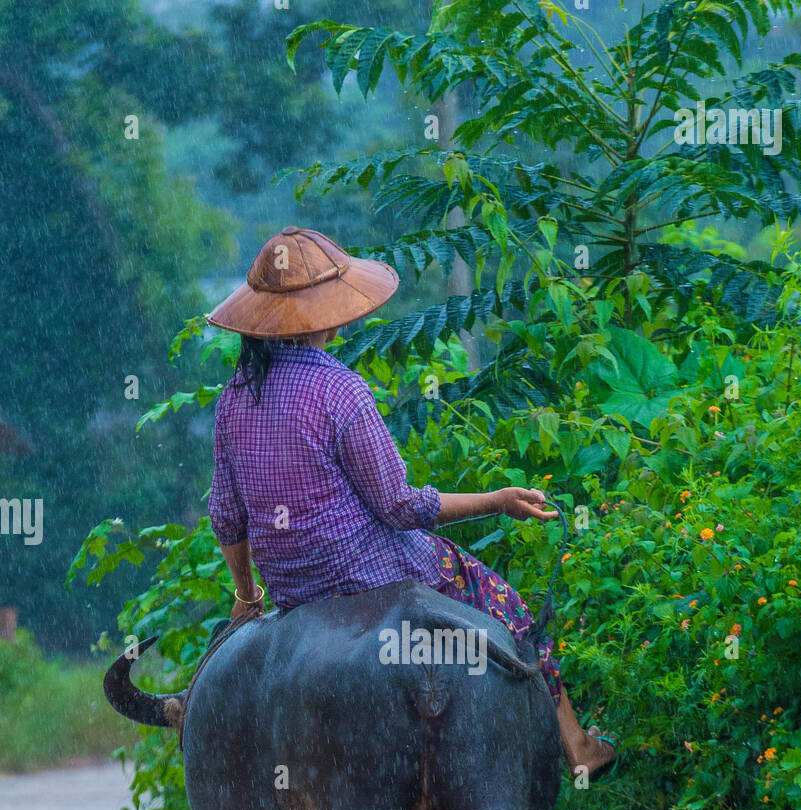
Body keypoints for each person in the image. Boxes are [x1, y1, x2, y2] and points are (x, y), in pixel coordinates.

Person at [206, 226, 616, 779]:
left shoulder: (234, 400)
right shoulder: (339, 390)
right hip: (376, 574)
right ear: (329, 311)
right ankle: (577, 746)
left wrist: (248, 594)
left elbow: (228, 520)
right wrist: (496, 500)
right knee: (508, 606)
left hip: (296, 592)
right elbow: (399, 507)